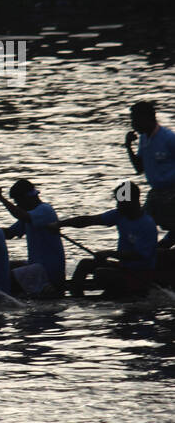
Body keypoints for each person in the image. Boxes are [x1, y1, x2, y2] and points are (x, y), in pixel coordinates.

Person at [55, 182, 159, 297]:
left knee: (101, 274)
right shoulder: (119, 215)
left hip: (140, 274)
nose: (118, 206)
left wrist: (109, 253)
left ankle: (114, 293)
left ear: (133, 201)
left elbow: (140, 255)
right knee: (85, 264)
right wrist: (59, 224)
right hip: (123, 268)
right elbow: (88, 220)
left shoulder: (147, 225)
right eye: (118, 202)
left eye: (121, 202)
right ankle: (76, 296)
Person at [0, 179, 66, 296]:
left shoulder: (44, 210)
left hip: (47, 270)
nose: (18, 205)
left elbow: (21, 215)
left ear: (27, 198)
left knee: (8, 276)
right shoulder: (29, 215)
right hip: (36, 264)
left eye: (18, 202)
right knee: (4, 266)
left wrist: (1, 199)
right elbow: (9, 233)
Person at [125, 101, 175, 242]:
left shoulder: (168, 138)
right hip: (156, 193)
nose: (133, 125)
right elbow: (139, 168)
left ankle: (161, 249)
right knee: (140, 225)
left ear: (148, 118)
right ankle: (150, 253)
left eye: (135, 120)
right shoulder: (144, 139)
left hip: (171, 192)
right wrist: (129, 147)